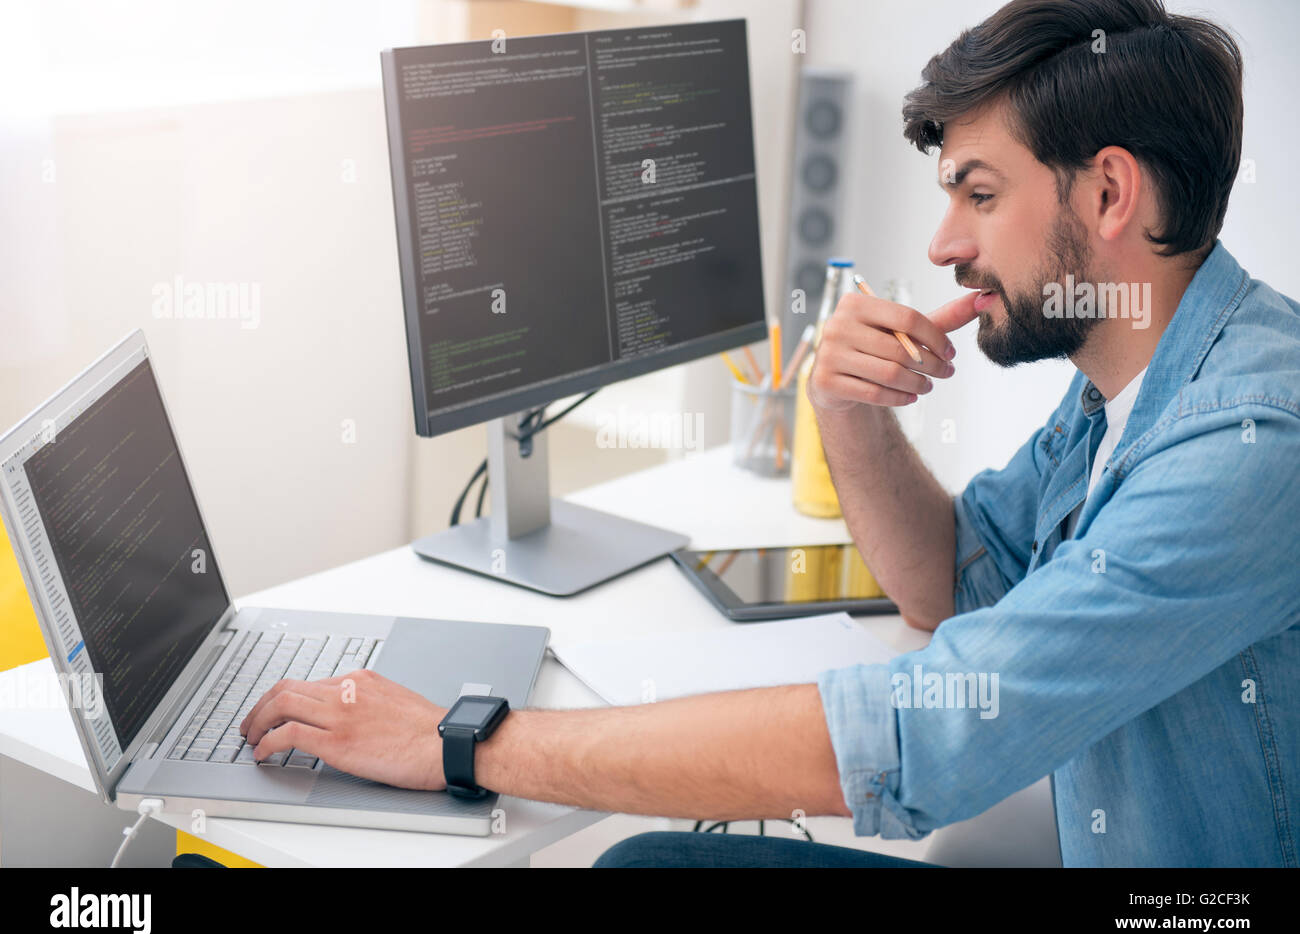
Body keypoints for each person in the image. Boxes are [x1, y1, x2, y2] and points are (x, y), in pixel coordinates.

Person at [241, 0, 1299, 867]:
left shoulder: (1243, 450)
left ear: (1109, 191)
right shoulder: (1131, 381)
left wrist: (466, 742)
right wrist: (842, 410)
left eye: (980, 194)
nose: (943, 244)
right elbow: (956, 583)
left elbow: (920, 739)